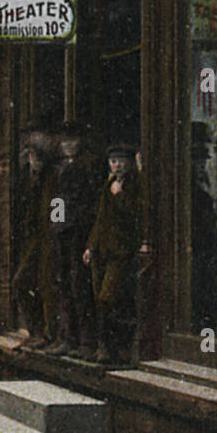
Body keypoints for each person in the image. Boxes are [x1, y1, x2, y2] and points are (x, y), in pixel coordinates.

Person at [84, 143, 144, 364]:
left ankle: (114, 347)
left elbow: (138, 214)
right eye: (113, 161)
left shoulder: (136, 184)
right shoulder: (109, 184)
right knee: (100, 298)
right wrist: (90, 246)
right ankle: (104, 347)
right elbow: (100, 218)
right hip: (103, 250)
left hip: (122, 250)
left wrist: (120, 197)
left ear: (130, 163)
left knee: (107, 298)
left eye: (121, 161)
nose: (117, 166)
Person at [47, 122, 100, 359]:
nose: (68, 146)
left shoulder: (87, 167)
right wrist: (56, 225)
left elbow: (87, 203)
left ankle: (86, 341)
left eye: (73, 141)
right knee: (64, 283)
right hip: (63, 231)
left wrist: (73, 223)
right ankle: (68, 337)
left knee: (80, 285)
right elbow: (57, 200)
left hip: (79, 232)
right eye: (64, 142)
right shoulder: (59, 168)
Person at [12, 124, 57, 349]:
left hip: (50, 239)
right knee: (22, 283)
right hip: (33, 240)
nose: (32, 160)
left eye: (35, 155)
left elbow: (58, 206)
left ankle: (48, 335)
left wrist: (56, 230)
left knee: (48, 286)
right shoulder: (26, 177)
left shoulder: (52, 177)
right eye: (28, 154)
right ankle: (36, 331)